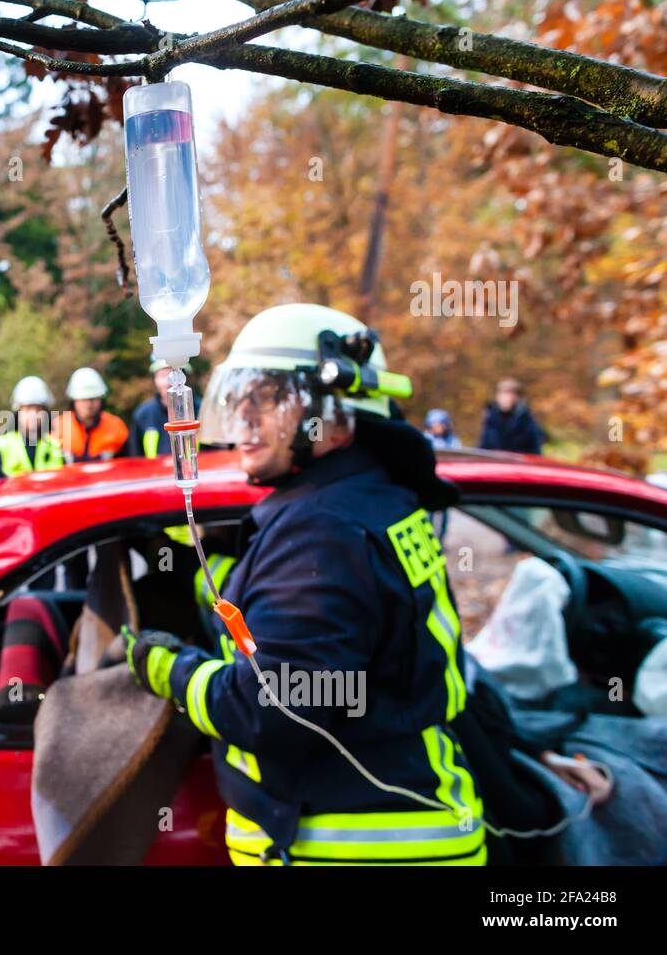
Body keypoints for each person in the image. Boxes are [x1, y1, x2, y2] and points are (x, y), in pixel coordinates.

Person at [123, 303, 487, 866]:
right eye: (238, 398)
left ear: (337, 417)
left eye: (267, 398)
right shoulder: (369, 502)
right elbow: (290, 608)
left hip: (357, 847)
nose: (243, 418)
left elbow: (269, 707)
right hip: (408, 820)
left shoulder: (324, 531)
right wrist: (194, 570)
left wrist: (164, 669)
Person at [0, 376, 64, 479]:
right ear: (18, 412)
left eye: (38, 409)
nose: (33, 414)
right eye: (28, 409)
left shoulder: (55, 447)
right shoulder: (0, 448)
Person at [127, 354, 201, 460]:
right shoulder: (143, 414)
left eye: (175, 374)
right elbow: (135, 459)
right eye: (163, 376)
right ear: (154, 380)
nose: (170, 382)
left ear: (185, 377)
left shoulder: (203, 410)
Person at [51, 368, 129, 463]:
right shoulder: (58, 426)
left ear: (101, 399)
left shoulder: (116, 426)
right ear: (74, 400)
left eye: (92, 399)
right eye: (83, 399)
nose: (88, 404)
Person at [479, 378, 545, 454]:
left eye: (511, 395)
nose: (507, 398)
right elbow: (483, 446)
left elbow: (535, 450)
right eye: (504, 394)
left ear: (517, 398)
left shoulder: (527, 421)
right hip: (494, 463)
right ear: (497, 396)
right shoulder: (490, 419)